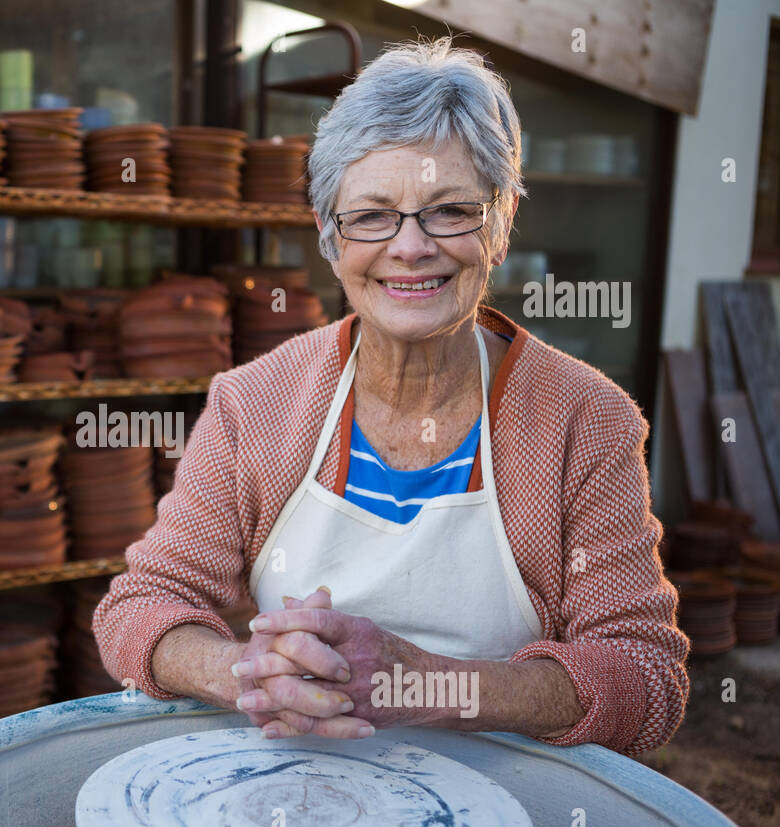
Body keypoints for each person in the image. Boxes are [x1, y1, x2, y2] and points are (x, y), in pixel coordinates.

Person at [93, 37, 688, 756]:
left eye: (449, 211)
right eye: (372, 215)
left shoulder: (584, 420)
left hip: (506, 810)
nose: (410, 247)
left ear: (499, 228)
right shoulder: (255, 405)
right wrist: (244, 672)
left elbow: (645, 675)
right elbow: (139, 608)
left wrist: (430, 686)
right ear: (329, 238)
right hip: (297, 796)